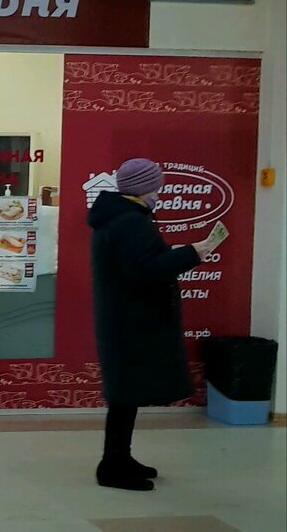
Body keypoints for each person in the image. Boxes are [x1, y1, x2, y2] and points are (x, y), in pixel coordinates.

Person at [88, 158, 220, 492]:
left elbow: (136, 263)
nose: (159, 192)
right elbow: (145, 271)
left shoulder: (116, 217)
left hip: (123, 318)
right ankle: (112, 466)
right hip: (133, 321)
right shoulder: (131, 222)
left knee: (126, 394)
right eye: (157, 185)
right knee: (125, 395)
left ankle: (119, 458)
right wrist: (192, 253)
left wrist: (176, 253)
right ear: (145, 186)